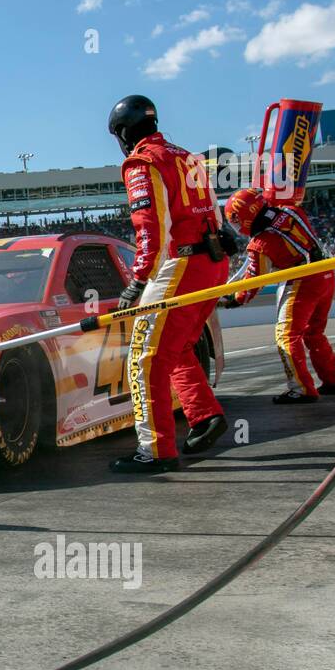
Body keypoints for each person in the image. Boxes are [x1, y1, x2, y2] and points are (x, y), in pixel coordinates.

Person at [108, 94, 230, 473]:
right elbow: (214, 212)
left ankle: (156, 450)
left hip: (183, 265)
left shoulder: (141, 162)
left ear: (124, 133)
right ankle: (205, 414)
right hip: (214, 262)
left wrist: (138, 280)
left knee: (144, 357)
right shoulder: (188, 156)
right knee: (175, 349)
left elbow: (152, 230)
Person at [220, 189, 335, 403]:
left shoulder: (259, 244)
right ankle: (333, 379)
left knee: (286, 336)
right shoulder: (293, 211)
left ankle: (301, 389)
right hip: (327, 275)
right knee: (314, 333)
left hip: (303, 282)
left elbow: (254, 281)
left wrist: (235, 300)